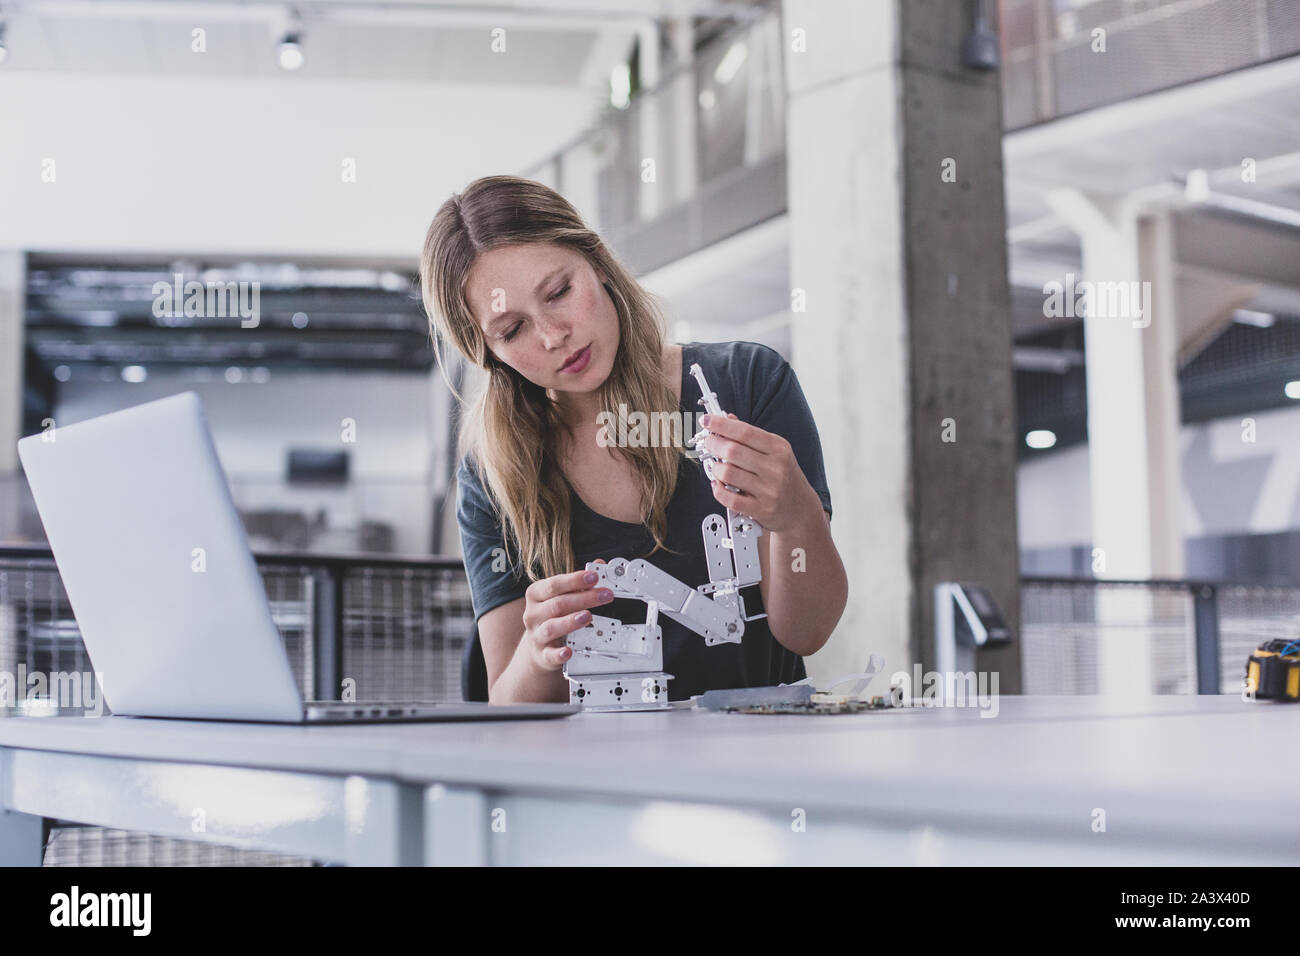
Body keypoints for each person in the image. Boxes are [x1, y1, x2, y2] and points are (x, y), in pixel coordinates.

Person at [420, 175, 848, 704]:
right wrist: (539, 653)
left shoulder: (745, 384)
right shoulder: (493, 476)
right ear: (488, 353)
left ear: (596, 262)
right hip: (600, 778)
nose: (554, 337)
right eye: (511, 331)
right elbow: (507, 705)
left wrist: (798, 515)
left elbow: (805, 633)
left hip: (757, 767)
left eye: (559, 292)